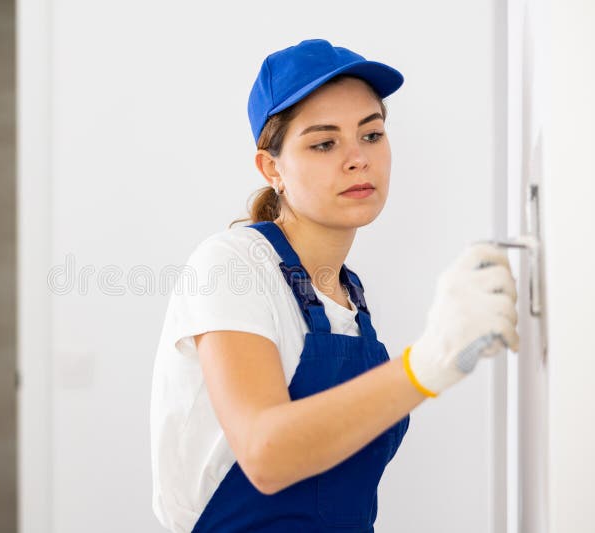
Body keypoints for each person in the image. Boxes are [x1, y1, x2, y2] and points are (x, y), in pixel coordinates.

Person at [149, 38, 519, 533]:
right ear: (272, 168)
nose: (357, 158)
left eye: (372, 134)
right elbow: (265, 454)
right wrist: (428, 362)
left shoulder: (352, 297)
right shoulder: (231, 265)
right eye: (324, 143)